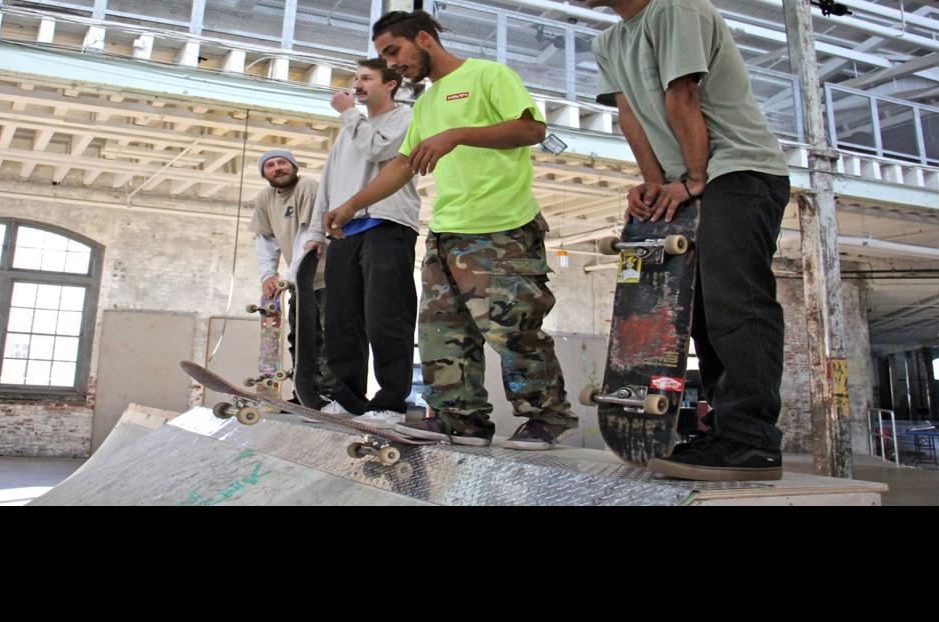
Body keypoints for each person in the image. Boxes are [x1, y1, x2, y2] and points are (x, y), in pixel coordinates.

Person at [325, 11, 576, 451]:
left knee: (512, 329)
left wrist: (457, 134)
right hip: (446, 231)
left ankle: (546, 417)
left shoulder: (488, 75)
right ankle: (461, 419)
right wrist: (352, 205)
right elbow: (403, 164)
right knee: (442, 334)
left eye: (394, 51)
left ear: (424, 39)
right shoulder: (425, 104)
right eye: (385, 56)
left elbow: (532, 128)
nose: (393, 64)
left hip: (501, 227)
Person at [586, 0, 790, 480]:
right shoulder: (608, 41)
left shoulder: (675, 7)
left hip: (738, 169)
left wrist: (695, 177)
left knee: (736, 302)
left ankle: (752, 439)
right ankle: (725, 429)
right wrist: (655, 182)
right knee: (696, 313)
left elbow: (683, 93)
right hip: (691, 178)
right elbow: (629, 116)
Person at [307, 59, 422, 427]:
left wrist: (348, 114)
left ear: (390, 85)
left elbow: (378, 150)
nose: (357, 84)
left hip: (387, 225)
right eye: (355, 78)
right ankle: (348, 397)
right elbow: (328, 181)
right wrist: (316, 233)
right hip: (345, 232)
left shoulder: (406, 118)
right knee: (341, 320)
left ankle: (391, 402)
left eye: (367, 78)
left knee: (386, 316)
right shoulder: (348, 130)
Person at [250, 148, 334, 405]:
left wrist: (286, 276)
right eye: (270, 165)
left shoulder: (307, 187)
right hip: (300, 283)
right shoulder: (264, 198)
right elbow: (264, 239)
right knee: (300, 340)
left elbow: (309, 236)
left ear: (295, 166)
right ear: (264, 173)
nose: (277, 168)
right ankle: (305, 395)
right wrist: (268, 275)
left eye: (283, 162)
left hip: (329, 279)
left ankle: (330, 396)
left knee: (330, 340)